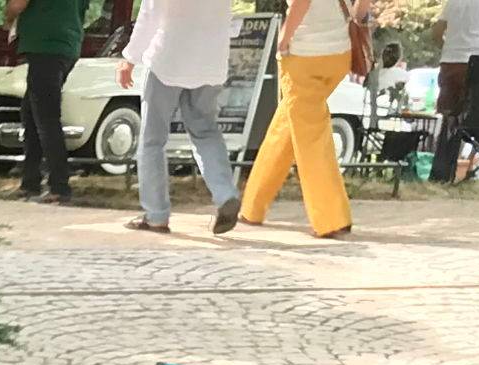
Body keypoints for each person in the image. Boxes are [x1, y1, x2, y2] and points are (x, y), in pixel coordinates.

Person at [235, 0, 366, 241]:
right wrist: (354, 18)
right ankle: (252, 206)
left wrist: (284, 38)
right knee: (287, 125)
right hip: (340, 52)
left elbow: (300, 2)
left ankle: (332, 219)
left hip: (305, 55)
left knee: (312, 139)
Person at [120, 0, 241, 236]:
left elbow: (150, 13)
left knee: (153, 140)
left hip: (169, 59)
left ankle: (156, 215)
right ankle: (226, 193)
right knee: (205, 131)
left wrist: (130, 58)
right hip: (210, 59)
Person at [6, 0, 85, 204]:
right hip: (67, 45)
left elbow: (17, 4)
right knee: (31, 112)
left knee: (46, 118)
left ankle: (59, 186)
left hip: (45, 46)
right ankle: (30, 181)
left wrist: (8, 17)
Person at [432, 0, 479, 179]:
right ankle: (464, 168)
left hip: (450, 61)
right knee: (470, 117)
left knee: (449, 117)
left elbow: (436, 32)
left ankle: (442, 170)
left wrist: (448, 48)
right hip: (477, 62)